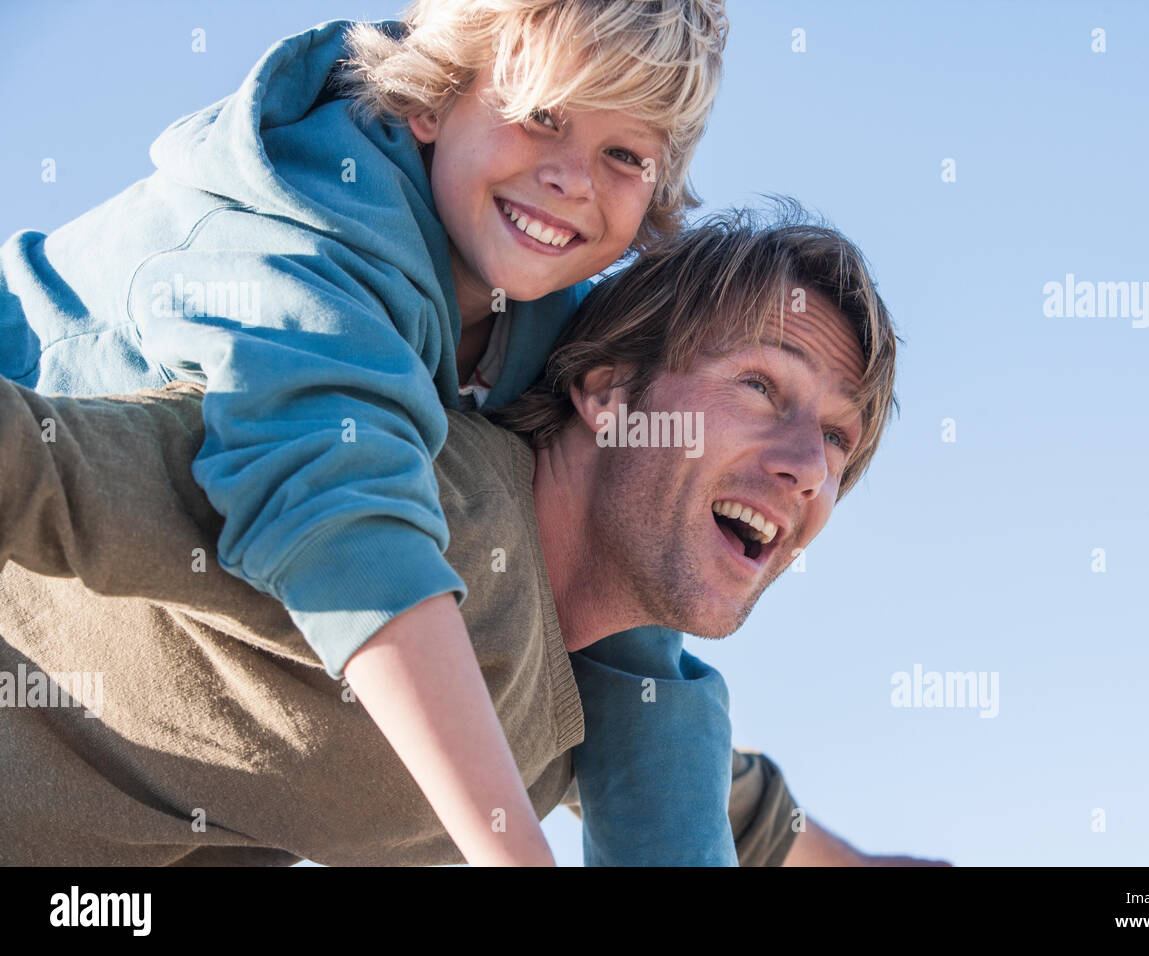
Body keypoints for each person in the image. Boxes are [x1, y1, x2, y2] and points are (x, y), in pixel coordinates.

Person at [0, 2, 741, 865]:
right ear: (432, 100)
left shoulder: (547, 328)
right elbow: (345, 517)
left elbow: (632, 657)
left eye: (624, 155)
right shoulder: (299, 233)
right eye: (541, 115)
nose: (572, 178)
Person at [0, 207, 941, 867]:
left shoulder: (588, 698)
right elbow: (41, 471)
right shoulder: (394, 493)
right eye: (761, 388)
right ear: (609, 395)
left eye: (836, 439)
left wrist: (854, 863)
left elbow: (726, 796)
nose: (807, 466)